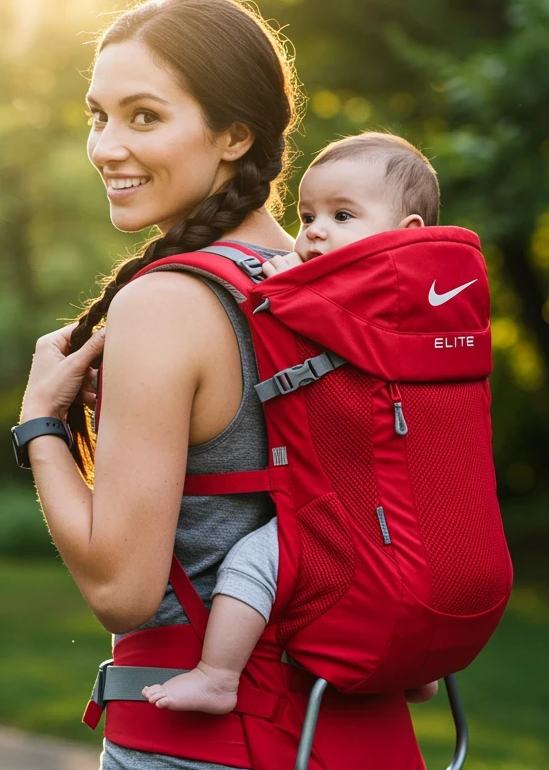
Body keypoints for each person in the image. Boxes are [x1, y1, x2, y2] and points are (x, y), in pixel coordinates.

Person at [17, 0, 423, 770]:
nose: (107, 147)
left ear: (236, 135)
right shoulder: (339, 283)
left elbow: (125, 590)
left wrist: (42, 424)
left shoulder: (167, 303)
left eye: (144, 116)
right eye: (98, 116)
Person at [140, 132, 442, 716]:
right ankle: (420, 670)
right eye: (307, 216)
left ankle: (217, 675)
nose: (315, 231)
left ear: (405, 236)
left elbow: (315, 361)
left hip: (355, 501)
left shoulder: (359, 302)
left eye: (342, 215)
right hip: (416, 500)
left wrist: (283, 291)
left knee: (254, 560)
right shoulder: (428, 310)